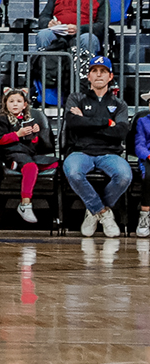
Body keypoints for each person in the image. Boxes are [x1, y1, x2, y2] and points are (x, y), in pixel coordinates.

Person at [62, 56, 132, 238]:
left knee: (124, 175)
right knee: (73, 172)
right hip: (80, 151)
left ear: (110, 76)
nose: (99, 75)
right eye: (95, 71)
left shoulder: (119, 104)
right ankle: (102, 212)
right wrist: (105, 123)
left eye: (103, 71)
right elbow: (72, 122)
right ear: (89, 76)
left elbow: (121, 132)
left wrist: (86, 123)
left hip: (109, 152)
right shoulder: (76, 98)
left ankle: (92, 210)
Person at [0, 87, 56, 226]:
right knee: (31, 167)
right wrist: (18, 134)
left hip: (29, 153)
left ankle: (18, 167)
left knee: (55, 164)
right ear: (5, 104)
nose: (15, 104)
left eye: (18, 101)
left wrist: (35, 134)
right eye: (11, 101)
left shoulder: (30, 119)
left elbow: (38, 145)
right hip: (12, 153)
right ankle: (25, 204)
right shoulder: (3, 119)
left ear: (25, 104)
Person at [134, 104, 150, 237]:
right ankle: (145, 213)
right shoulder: (142, 121)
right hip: (148, 157)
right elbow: (139, 143)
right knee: (148, 176)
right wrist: (148, 155)